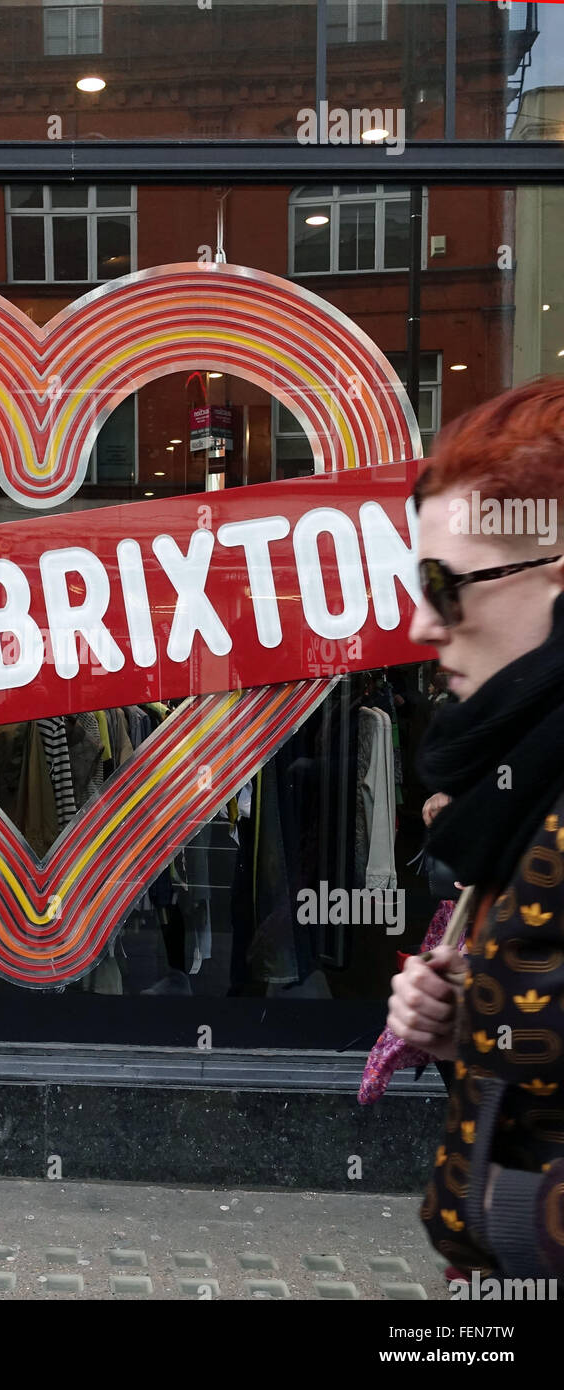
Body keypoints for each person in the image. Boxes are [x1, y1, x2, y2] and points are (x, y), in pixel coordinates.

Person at [386, 375, 564, 1279]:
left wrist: (518, 1215)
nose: (421, 623)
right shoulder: (525, 790)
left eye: (444, 585)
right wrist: (472, 1033)